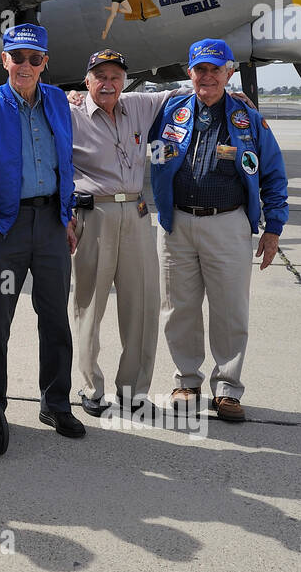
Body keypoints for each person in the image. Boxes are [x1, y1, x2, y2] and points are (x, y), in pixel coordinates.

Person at [148, 39, 288, 423]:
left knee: (229, 310)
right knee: (178, 308)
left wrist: (273, 228)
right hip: (176, 224)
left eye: (215, 69)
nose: (207, 76)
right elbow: (137, 135)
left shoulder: (249, 119)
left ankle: (227, 388)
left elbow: (273, 173)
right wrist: (77, 98)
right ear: (189, 72)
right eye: (200, 69)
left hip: (228, 223)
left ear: (229, 73)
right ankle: (186, 382)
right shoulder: (170, 112)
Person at [0, 24, 83, 446]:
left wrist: (67, 215)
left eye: (34, 58)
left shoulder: (58, 101)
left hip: (50, 226)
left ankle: (56, 402)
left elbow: (65, 161)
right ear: (4, 60)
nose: (25, 66)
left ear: (44, 62)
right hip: (5, 230)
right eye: (17, 57)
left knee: (55, 317)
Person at [66, 50, 175, 417]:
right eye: (100, 77)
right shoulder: (71, 113)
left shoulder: (140, 105)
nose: (108, 84)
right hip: (93, 213)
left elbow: (192, 90)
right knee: (89, 304)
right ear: (87, 81)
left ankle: (133, 391)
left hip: (137, 212)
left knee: (143, 304)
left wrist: (233, 93)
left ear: (124, 80)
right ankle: (90, 387)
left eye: (115, 77)